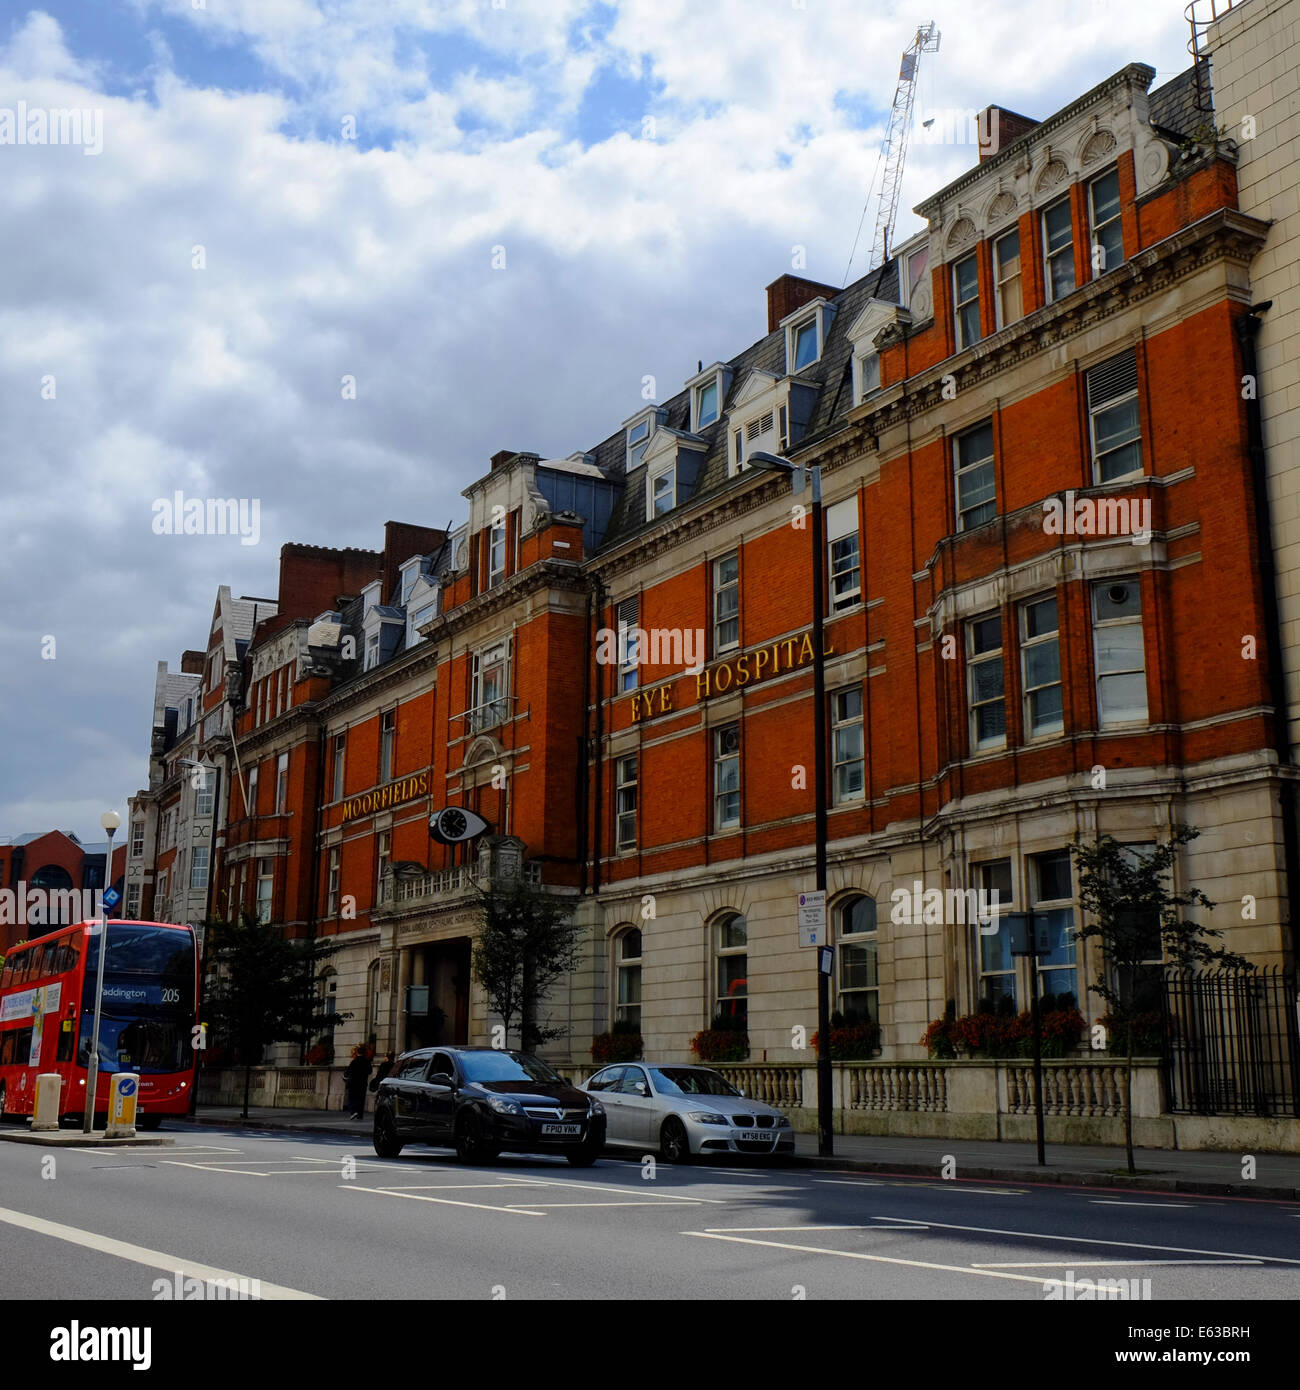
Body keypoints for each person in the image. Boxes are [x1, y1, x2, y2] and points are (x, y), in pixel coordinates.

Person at [343, 1045, 372, 1120]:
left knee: (352, 1098)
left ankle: (353, 1112)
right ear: (364, 1053)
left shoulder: (354, 1061)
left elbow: (348, 1071)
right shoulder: (367, 1061)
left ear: (357, 1052)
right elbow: (370, 1071)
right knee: (361, 1099)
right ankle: (360, 1115)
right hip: (362, 1083)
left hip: (353, 1083)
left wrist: (345, 1077)